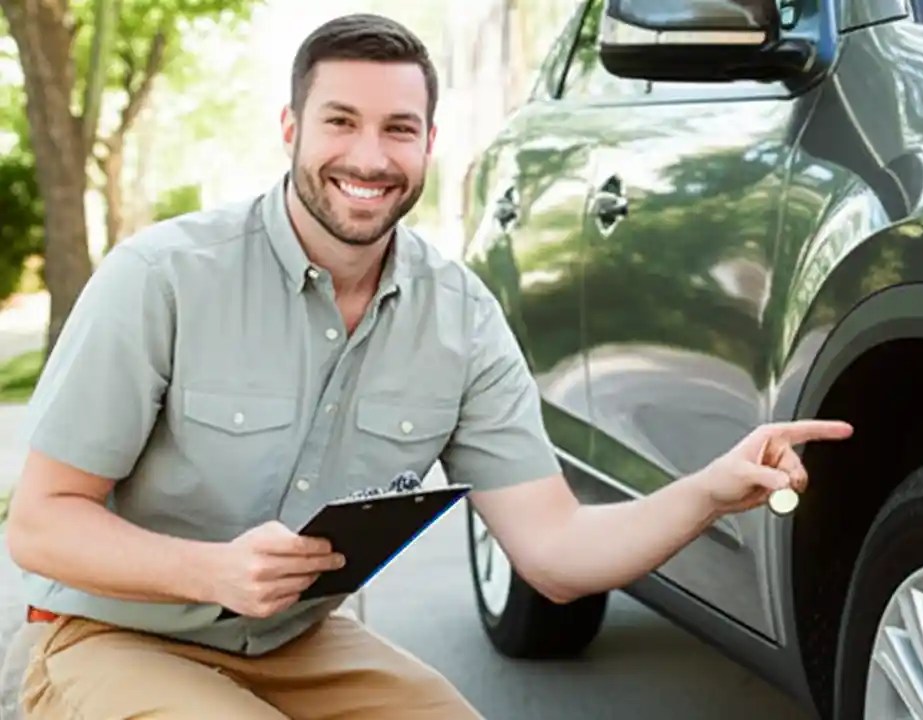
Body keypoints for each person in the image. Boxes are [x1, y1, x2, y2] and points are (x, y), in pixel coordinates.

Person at [4, 12, 852, 719]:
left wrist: (708, 489)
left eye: (397, 129)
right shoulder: (163, 277)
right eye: (340, 121)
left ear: (429, 143)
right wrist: (213, 570)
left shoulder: (463, 319)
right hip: (113, 637)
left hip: (295, 646)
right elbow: (39, 523)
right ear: (291, 128)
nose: (369, 158)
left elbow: (555, 553)